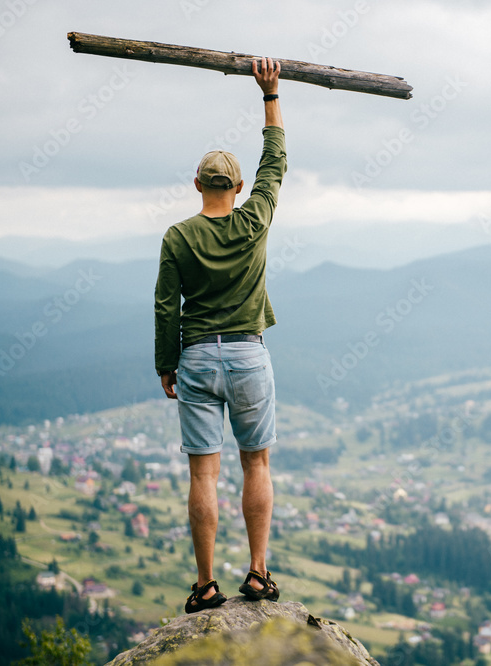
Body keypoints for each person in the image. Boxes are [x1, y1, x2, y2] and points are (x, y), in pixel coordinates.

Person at [154, 57, 286, 613]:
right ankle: (257, 575)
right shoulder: (253, 220)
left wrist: (167, 365)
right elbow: (275, 164)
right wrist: (269, 95)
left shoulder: (178, 236)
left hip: (198, 361)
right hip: (249, 356)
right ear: (236, 185)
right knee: (255, 463)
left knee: (201, 471)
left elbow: (166, 306)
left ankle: (205, 585)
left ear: (196, 185)